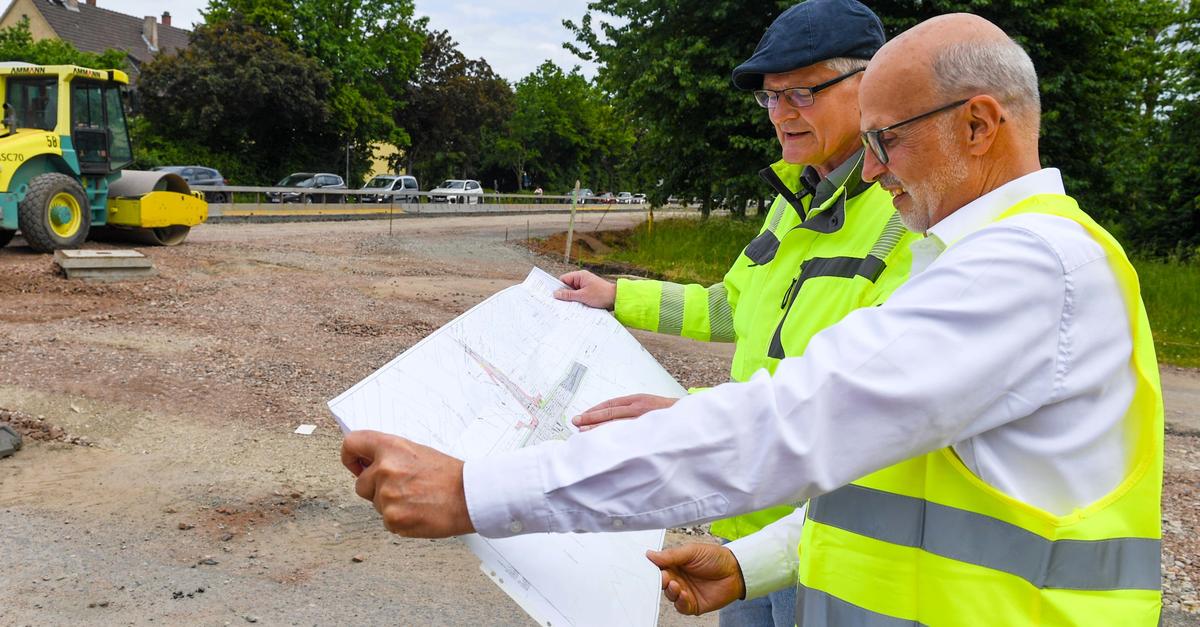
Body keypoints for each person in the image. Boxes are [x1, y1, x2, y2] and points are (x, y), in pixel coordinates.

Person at [342, 13, 1164, 626]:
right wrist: (751, 562)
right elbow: (887, 478)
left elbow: (799, 421)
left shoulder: (1028, 269)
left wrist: (477, 489)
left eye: (888, 141)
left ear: (979, 125)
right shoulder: (967, 255)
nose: (873, 171)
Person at [553, 2, 916, 621]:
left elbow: (867, 394)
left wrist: (690, 416)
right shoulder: (793, 199)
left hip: (832, 534)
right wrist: (616, 296)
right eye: (770, 98)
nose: (781, 115)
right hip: (750, 517)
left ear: (870, 87)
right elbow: (730, 307)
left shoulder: (907, 210)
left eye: (801, 92)